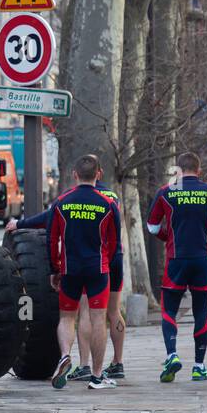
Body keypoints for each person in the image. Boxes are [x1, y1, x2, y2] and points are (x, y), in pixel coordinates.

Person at [7, 154, 120, 389]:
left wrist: (55, 269)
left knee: (68, 317)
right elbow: (114, 242)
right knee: (98, 318)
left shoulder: (61, 202)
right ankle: (97, 376)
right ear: (98, 174)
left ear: (75, 175)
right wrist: (104, 265)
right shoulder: (108, 204)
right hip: (98, 269)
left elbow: (52, 238)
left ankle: (65, 355)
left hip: (70, 269)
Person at [145, 152, 207, 382]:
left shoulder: (166, 191)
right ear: (199, 170)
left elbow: (152, 227)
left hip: (176, 259)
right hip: (201, 259)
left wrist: (167, 236)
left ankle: (172, 355)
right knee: (201, 313)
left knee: (169, 310)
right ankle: (199, 366)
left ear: (178, 171)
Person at [93, 161, 128, 379]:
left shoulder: (76, 196)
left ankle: (87, 365)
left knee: (91, 313)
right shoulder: (112, 196)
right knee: (113, 310)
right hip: (116, 256)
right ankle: (118, 361)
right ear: (100, 172)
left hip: (95, 259)